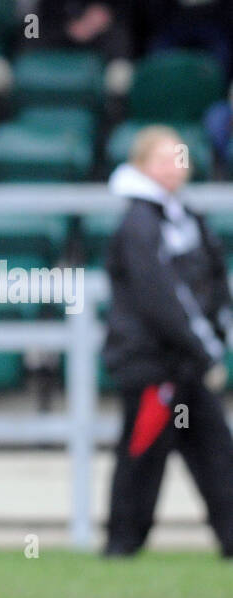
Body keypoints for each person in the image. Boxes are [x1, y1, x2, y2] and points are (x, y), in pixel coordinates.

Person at [102, 125, 233, 557]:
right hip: (152, 366)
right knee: (142, 455)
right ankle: (122, 544)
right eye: (162, 159)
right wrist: (205, 347)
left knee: (216, 453)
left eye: (179, 158)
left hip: (187, 366)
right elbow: (159, 297)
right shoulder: (139, 224)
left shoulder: (187, 218)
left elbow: (213, 284)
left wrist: (210, 339)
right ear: (141, 166)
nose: (173, 168)